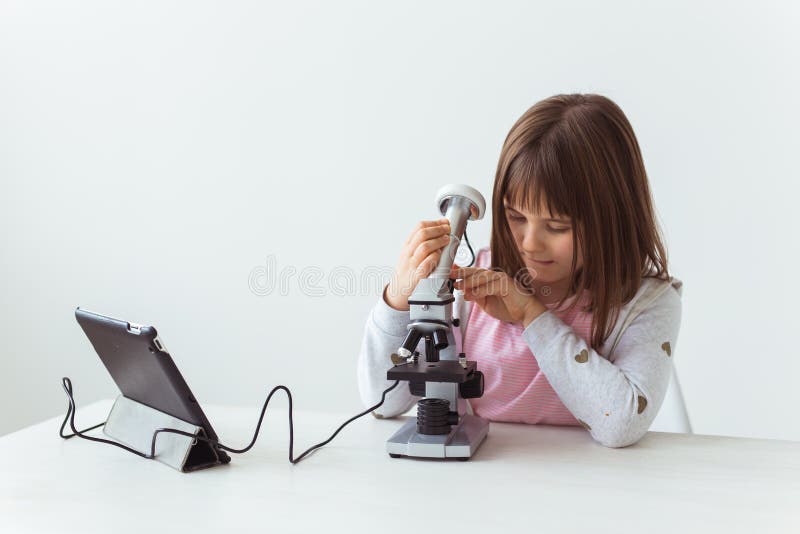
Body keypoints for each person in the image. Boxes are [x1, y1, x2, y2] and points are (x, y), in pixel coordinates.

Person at [357, 93, 683, 448]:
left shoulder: (647, 303)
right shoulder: (470, 291)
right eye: (515, 217)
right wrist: (399, 300)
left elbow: (620, 424)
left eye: (556, 227)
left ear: (612, 218)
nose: (529, 243)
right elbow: (382, 402)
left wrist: (531, 315)